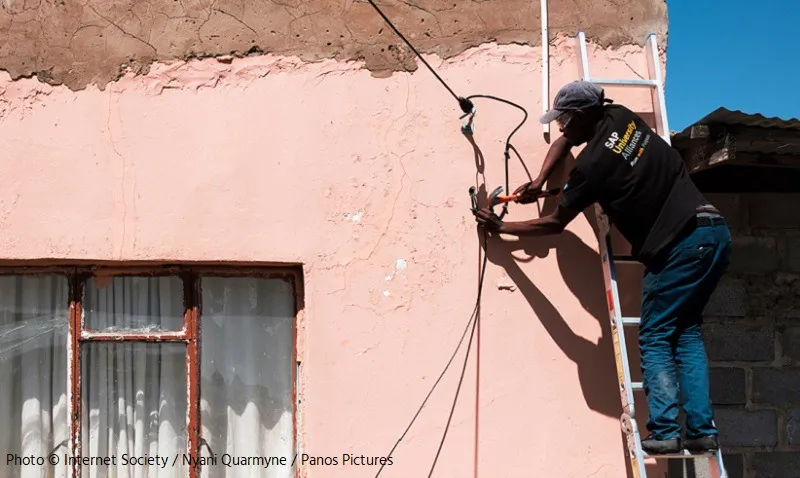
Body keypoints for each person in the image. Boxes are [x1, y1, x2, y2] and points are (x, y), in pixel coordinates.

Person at [474, 81, 732, 455]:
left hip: (678, 247)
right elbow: (566, 144)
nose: (560, 128)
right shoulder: (621, 116)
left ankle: (664, 431)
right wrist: (540, 180)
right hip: (712, 233)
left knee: (656, 337)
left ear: (581, 116)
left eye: (564, 120)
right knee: (687, 333)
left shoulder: (592, 168)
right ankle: (701, 430)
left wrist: (502, 228)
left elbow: (554, 225)